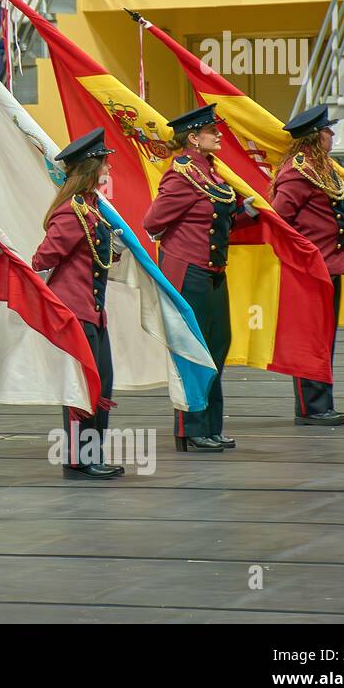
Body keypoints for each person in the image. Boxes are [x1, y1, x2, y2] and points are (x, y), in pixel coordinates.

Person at [143, 104, 259, 453]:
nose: (218, 134)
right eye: (211, 131)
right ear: (193, 138)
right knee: (194, 350)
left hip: (212, 271)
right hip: (189, 271)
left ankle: (211, 424)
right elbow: (152, 222)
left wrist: (244, 213)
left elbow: (214, 220)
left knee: (218, 344)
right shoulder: (180, 175)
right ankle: (192, 427)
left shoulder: (211, 172)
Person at [32, 128, 125, 479]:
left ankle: (90, 454)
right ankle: (80, 458)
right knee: (84, 387)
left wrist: (111, 252)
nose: (109, 170)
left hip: (93, 309)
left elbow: (91, 254)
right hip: (76, 310)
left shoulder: (91, 207)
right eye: (105, 164)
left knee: (101, 383)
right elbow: (43, 257)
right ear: (91, 167)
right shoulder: (73, 211)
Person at [271, 105, 344, 427]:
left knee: (324, 337)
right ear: (314, 137)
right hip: (311, 268)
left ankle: (321, 402)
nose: (332, 135)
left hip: (329, 264)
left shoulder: (322, 168)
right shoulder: (298, 172)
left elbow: (327, 212)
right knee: (311, 337)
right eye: (327, 131)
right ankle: (312, 407)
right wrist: (303, 254)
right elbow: (279, 218)